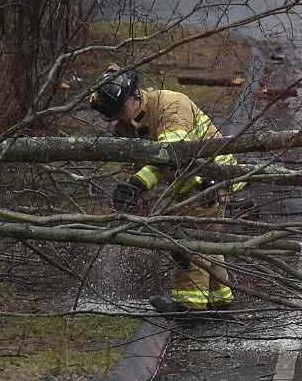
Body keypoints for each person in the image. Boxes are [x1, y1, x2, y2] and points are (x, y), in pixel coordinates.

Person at [91, 67, 238, 318]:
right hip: (188, 182)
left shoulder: (171, 106)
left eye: (120, 111)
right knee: (207, 240)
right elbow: (133, 164)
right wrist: (128, 190)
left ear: (134, 96)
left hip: (209, 179)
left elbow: (172, 157)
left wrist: (138, 184)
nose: (119, 119)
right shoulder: (129, 124)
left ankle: (190, 306)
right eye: (113, 114)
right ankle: (219, 298)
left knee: (187, 242)